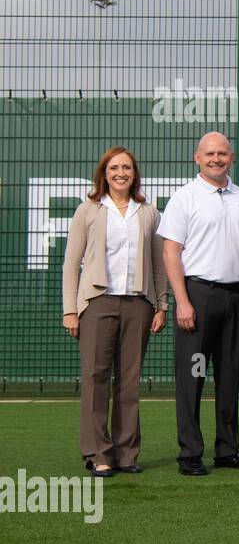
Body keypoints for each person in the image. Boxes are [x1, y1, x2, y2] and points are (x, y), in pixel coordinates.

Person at [62, 146, 168, 477]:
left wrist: (161, 304)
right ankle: (98, 452)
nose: (120, 173)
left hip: (139, 303)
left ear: (134, 173)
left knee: (129, 381)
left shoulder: (148, 213)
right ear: (104, 174)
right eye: (113, 168)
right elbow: (71, 263)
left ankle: (126, 453)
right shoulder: (89, 210)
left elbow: (158, 263)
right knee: (95, 378)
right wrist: (70, 310)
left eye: (126, 167)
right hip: (97, 302)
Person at [159, 132, 239, 476]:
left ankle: (227, 450)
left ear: (231, 158)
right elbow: (171, 252)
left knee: (230, 378)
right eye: (210, 154)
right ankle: (190, 453)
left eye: (223, 154)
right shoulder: (184, 197)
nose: (217, 159)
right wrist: (181, 301)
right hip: (198, 297)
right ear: (197, 158)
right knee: (193, 377)